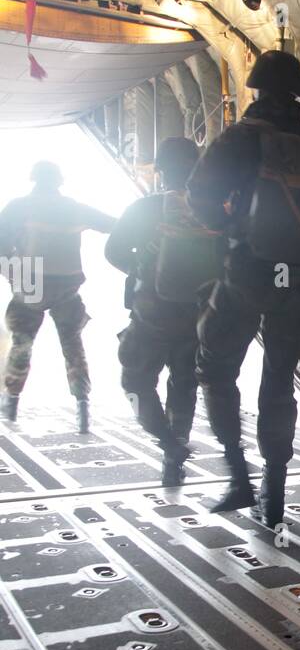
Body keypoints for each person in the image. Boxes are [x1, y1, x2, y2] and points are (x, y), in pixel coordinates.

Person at [188, 51, 300, 528]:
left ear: (255, 89)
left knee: (214, 366)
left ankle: (238, 476)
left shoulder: (241, 138)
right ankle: (274, 491)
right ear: (299, 93)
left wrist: (227, 225)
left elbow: (200, 197)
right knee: (279, 378)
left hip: (248, 271)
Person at [105, 137, 215, 486]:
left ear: (161, 170)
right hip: (197, 315)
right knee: (183, 385)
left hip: (151, 313)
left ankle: (166, 440)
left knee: (135, 381)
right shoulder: (213, 209)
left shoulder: (145, 207)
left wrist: (142, 270)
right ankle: (173, 456)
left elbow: (114, 251)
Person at [0, 161, 114, 432]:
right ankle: (83, 405)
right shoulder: (74, 208)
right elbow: (114, 224)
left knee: (22, 344)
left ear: (34, 179)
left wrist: (13, 271)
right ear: (59, 181)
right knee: (73, 345)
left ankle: (11, 402)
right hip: (67, 286)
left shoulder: (19, 206)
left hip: (32, 284)